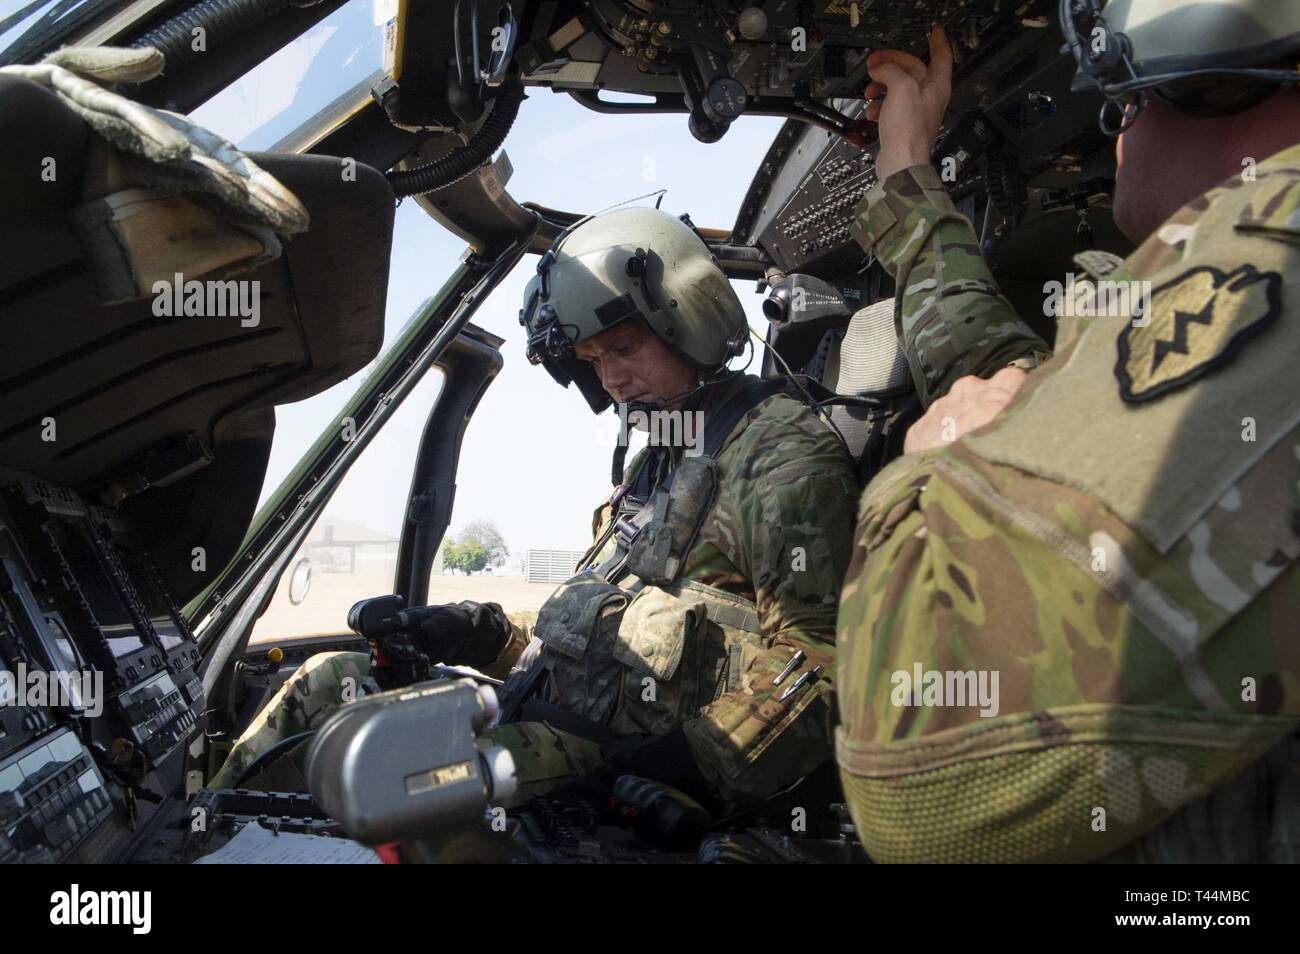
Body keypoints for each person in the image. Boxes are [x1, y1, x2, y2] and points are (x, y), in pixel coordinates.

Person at [836, 3, 1300, 862]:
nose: (1113, 135)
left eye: (1121, 105)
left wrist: (935, 465)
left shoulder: (1273, 248)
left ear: (1207, 77)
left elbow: (923, 781)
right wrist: (907, 169)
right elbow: (1012, 382)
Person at [213, 207, 858, 812]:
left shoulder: (782, 452)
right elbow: (600, 642)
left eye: (624, 348)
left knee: (388, 770)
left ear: (688, 318)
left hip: (621, 763)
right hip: (542, 718)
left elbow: (822, 663)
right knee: (327, 684)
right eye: (593, 360)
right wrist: (486, 636)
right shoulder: (665, 450)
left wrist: (682, 768)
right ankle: (199, 834)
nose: (610, 380)